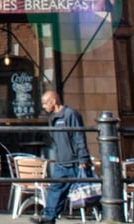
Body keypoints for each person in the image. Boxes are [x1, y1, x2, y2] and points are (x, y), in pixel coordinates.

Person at [31, 90, 91, 224]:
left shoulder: (70, 114)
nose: (44, 106)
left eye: (45, 103)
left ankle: (107, 212)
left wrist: (83, 158)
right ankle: (48, 217)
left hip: (74, 161)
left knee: (87, 190)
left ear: (53, 101)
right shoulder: (53, 118)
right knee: (55, 189)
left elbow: (79, 136)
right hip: (61, 161)